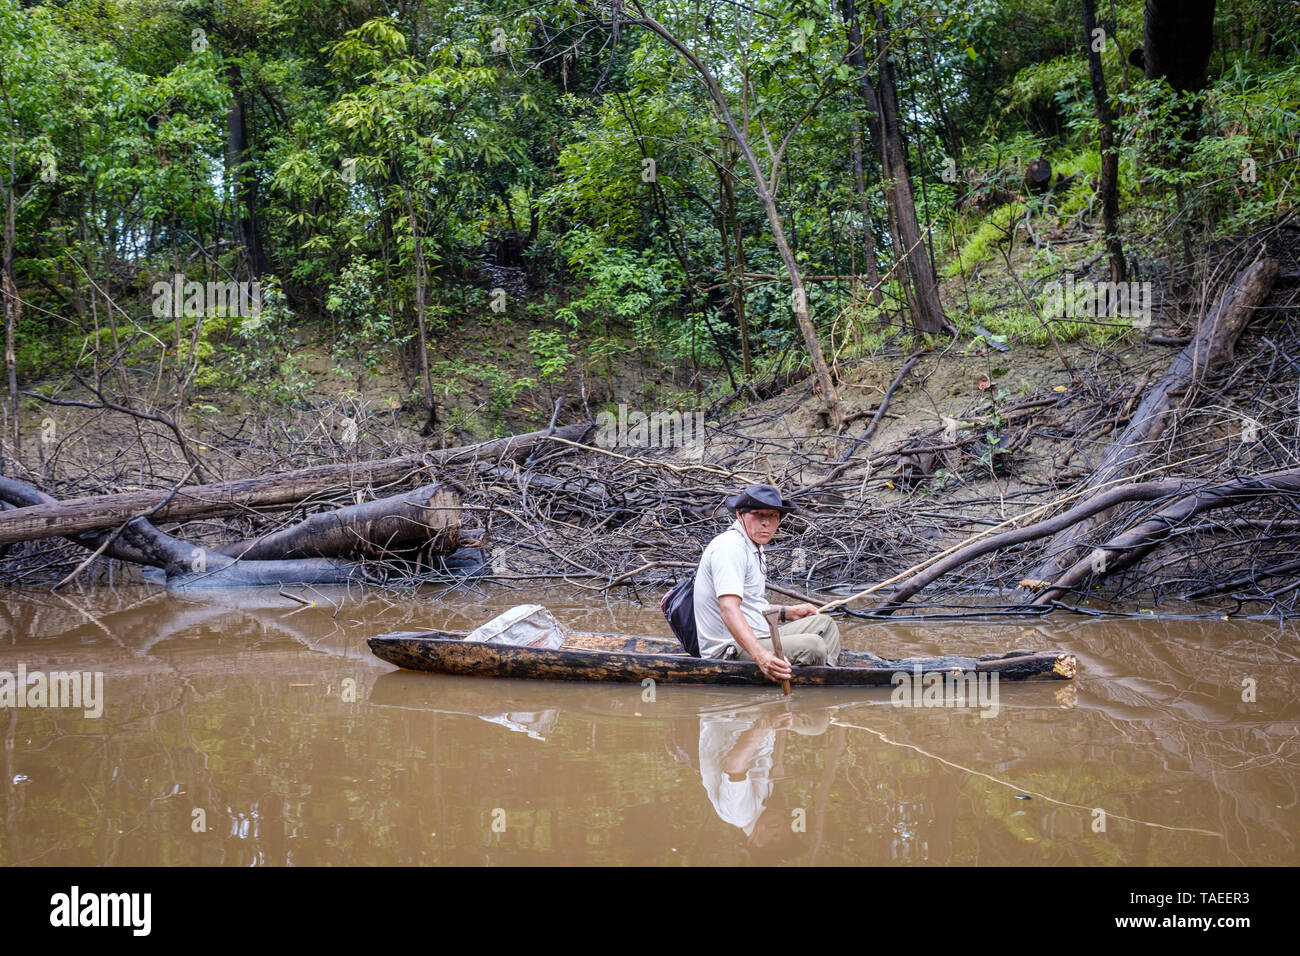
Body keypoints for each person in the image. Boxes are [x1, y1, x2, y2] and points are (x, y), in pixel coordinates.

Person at [693, 483, 841, 685]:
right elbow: (728, 609)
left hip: (758, 633)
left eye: (772, 516)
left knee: (825, 624)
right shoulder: (730, 547)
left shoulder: (753, 544)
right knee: (813, 645)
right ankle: (817, 690)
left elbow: (749, 604)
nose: (766, 523)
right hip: (730, 649)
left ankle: (827, 679)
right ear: (740, 515)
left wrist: (787, 612)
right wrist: (761, 656)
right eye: (757, 514)